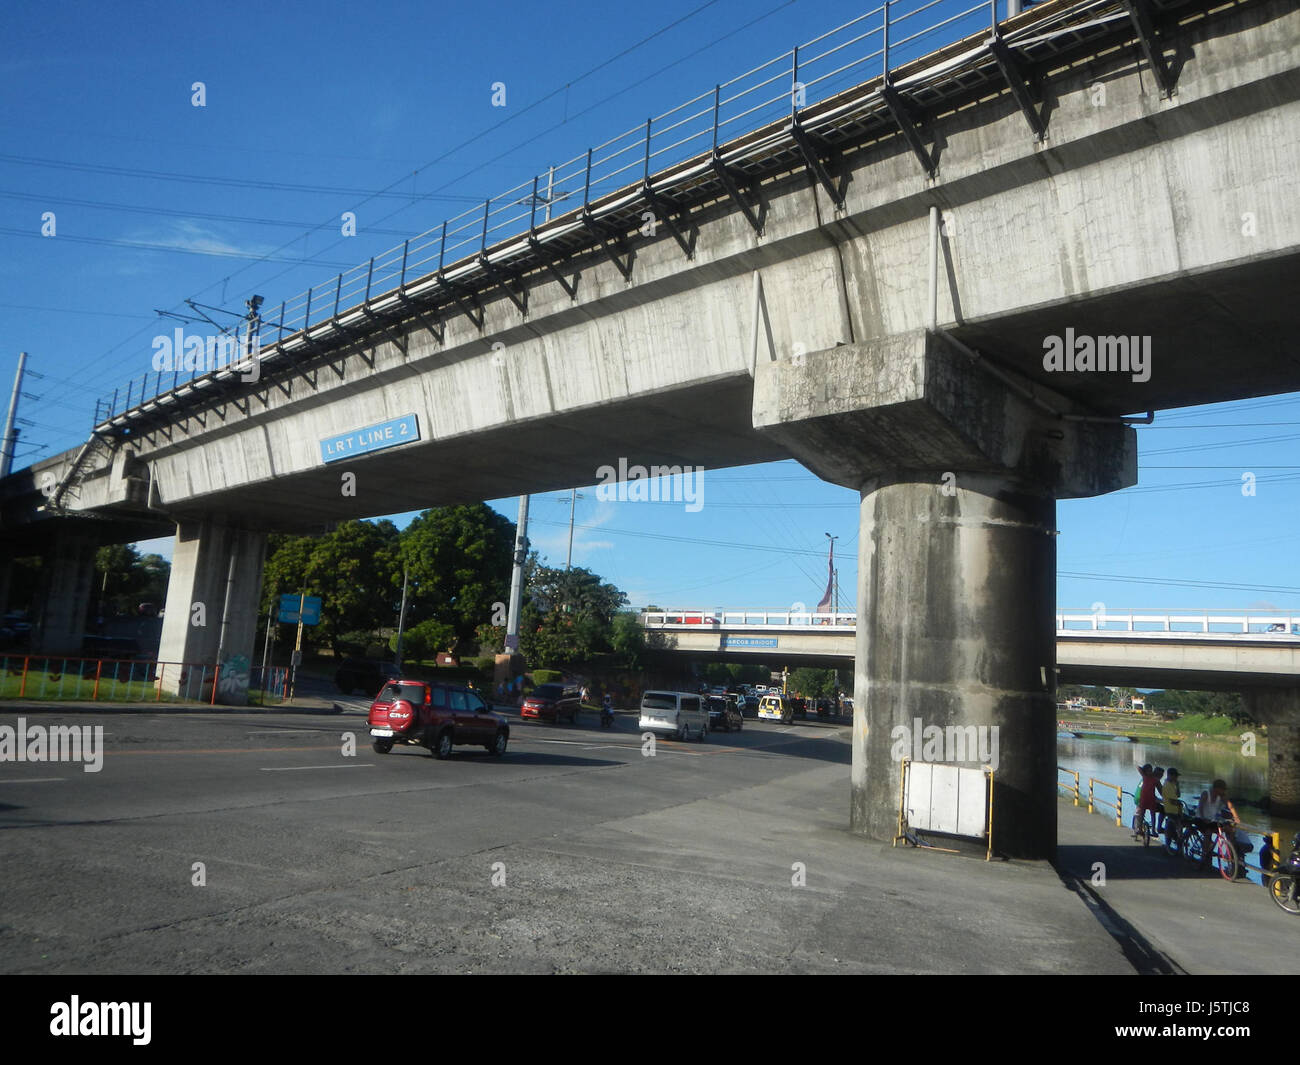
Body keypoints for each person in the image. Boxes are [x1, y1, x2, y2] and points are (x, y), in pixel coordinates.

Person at [1198, 778, 1254, 877]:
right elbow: (1201, 806)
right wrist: (1203, 817)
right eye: (1222, 789)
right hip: (1202, 819)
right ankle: (1204, 855)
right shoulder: (1206, 794)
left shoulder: (1222, 796)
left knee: (1230, 830)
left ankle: (1230, 850)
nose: (1223, 791)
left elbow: (1230, 806)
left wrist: (1236, 818)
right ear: (1216, 789)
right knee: (1208, 833)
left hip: (1213, 820)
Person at [1160, 768, 1183, 846]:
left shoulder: (1172, 784)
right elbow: (1172, 801)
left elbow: (1178, 795)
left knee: (1178, 825)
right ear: (1170, 775)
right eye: (1175, 776)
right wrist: (1179, 804)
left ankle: (1178, 841)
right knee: (1175, 826)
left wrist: (1177, 785)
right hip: (1171, 809)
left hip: (1175, 809)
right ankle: (1170, 845)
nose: (1176, 778)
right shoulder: (1167, 785)